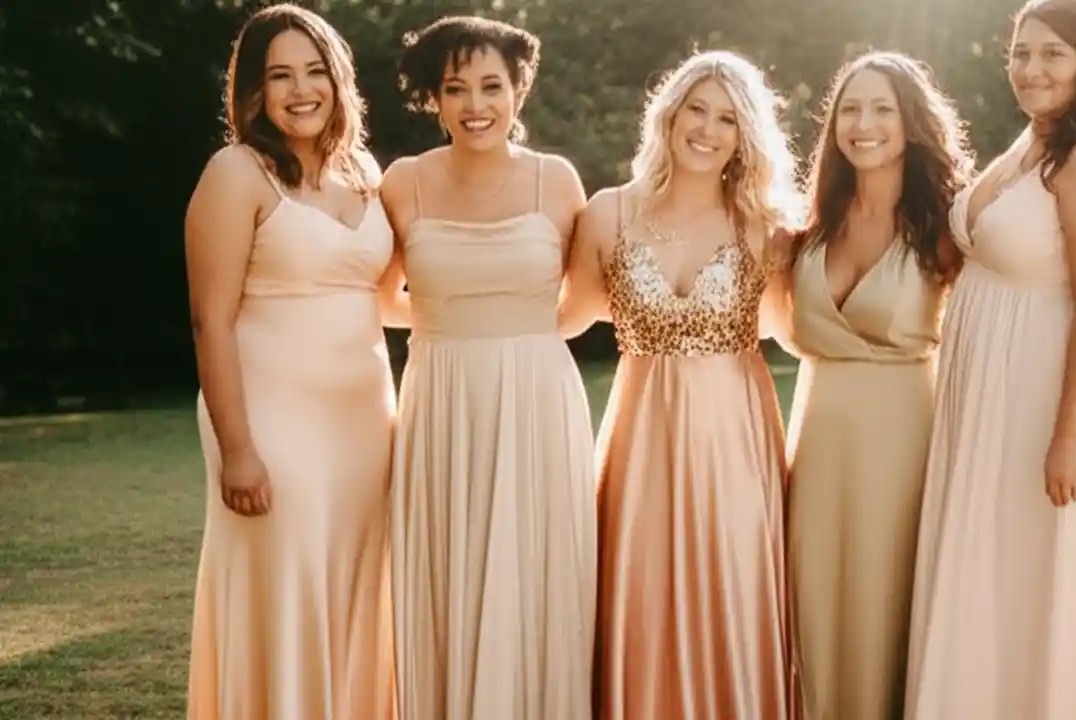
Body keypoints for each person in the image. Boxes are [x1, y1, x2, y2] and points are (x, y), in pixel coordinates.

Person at [906, 1, 1076, 717]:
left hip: (1057, 392)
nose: (1031, 68)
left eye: (1053, 53)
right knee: (996, 577)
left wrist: (1070, 434)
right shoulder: (1029, 143)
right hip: (997, 389)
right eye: (1022, 52)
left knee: (1046, 586)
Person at [559, 50, 798, 720]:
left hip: (736, 439)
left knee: (737, 583)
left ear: (743, 137)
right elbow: (566, 320)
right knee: (644, 589)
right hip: (643, 438)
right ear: (669, 114)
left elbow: (799, 331)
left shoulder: (763, 226)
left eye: (727, 118)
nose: (707, 128)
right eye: (697, 108)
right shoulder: (607, 214)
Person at [184, 5, 399, 718]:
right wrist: (239, 449)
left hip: (365, 428)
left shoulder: (364, 174)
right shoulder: (236, 172)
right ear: (253, 90)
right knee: (288, 585)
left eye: (314, 72)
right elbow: (210, 319)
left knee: (357, 589)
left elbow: (386, 296)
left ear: (339, 82)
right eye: (280, 75)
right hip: (271, 422)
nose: (300, 89)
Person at [379, 15, 596, 719]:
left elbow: (584, 302)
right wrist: (454, 330)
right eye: (457, 88)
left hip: (537, 398)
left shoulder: (556, 181)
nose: (477, 105)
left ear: (519, 91)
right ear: (434, 100)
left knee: (534, 574)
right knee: (452, 571)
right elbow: (384, 299)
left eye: (492, 86)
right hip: (441, 396)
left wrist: (517, 338)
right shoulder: (403, 183)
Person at [784, 51, 972, 720]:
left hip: (902, 440)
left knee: (888, 600)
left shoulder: (947, 230)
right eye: (850, 109)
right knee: (814, 603)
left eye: (882, 108)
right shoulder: (806, 227)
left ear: (913, 123)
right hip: (817, 436)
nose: (863, 124)